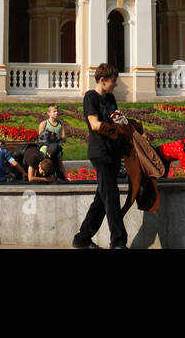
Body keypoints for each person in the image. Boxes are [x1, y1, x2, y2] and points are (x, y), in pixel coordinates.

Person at [73, 63, 128, 250]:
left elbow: (117, 118)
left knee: (102, 199)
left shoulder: (110, 98)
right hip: (100, 152)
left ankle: (82, 238)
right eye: (113, 81)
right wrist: (114, 129)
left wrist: (126, 125)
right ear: (102, 80)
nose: (115, 85)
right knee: (111, 197)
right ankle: (119, 242)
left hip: (113, 153)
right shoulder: (90, 97)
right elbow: (95, 124)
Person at [37, 104, 67, 180]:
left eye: (57, 111)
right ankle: (41, 172)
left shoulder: (60, 124)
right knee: (44, 152)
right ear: (48, 113)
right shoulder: (44, 124)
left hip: (56, 146)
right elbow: (41, 138)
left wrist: (56, 137)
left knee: (59, 157)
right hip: (46, 146)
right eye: (54, 111)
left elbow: (64, 138)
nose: (56, 113)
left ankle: (64, 177)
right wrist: (50, 136)